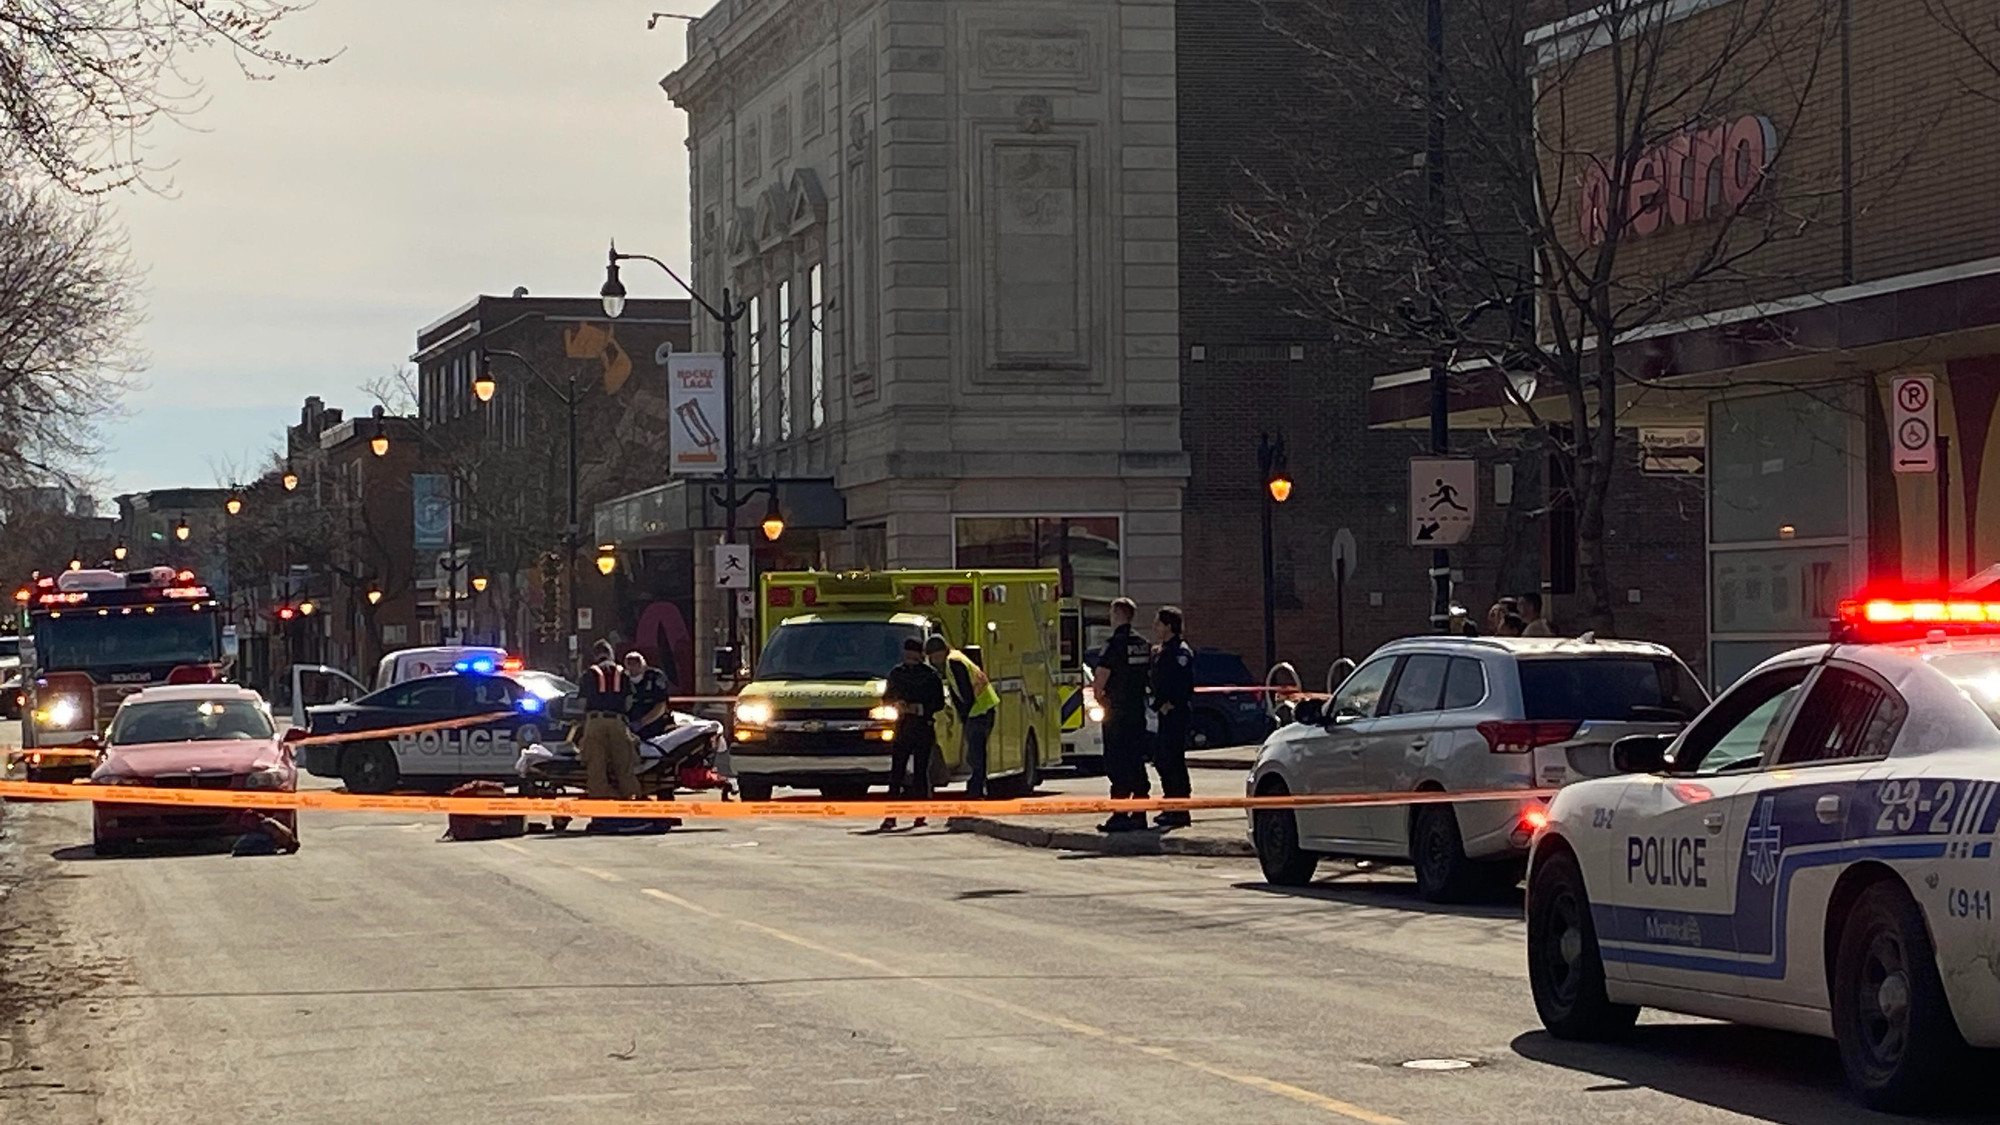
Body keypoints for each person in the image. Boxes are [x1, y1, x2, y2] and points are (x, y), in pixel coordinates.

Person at [1093, 596, 1153, 832]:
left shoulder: (1113, 645)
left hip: (1116, 712)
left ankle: (1119, 814)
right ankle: (1139, 813)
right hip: (1137, 712)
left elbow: (1100, 680)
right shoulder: (1142, 644)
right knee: (1136, 761)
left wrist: (1101, 700)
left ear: (1117, 615)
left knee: (1117, 763)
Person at [881, 638, 945, 830]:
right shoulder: (897, 674)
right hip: (903, 727)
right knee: (896, 774)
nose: (909, 657)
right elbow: (886, 698)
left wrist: (921, 708)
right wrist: (897, 703)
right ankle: (890, 816)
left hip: (923, 727)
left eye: (913, 653)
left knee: (921, 773)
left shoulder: (930, 675)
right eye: (907, 653)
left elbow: (939, 703)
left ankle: (921, 814)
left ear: (920, 655)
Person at [928, 635, 1000, 799]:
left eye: (934, 657)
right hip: (984, 707)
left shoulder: (953, 662)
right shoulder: (956, 658)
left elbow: (964, 690)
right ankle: (978, 787)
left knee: (975, 754)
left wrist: (965, 714)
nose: (933, 661)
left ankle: (976, 789)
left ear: (940, 652)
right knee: (977, 752)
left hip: (978, 710)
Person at [578, 641, 641, 815]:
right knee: (624, 767)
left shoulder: (589, 674)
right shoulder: (623, 673)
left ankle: (602, 811)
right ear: (611, 654)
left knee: (596, 768)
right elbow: (629, 703)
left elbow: (582, 703)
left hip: (595, 722)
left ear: (595, 655)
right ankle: (633, 807)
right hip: (617, 722)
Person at [1148, 606, 1195, 829]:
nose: (1155, 627)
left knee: (1172, 760)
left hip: (1174, 713)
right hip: (1163, 712)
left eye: (1158, 623)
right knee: (1161, 759)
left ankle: (1179, 809)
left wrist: (1169, 703)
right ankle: (1170, 804)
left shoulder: (1179, 653)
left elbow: (1181, 683)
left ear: (1169, 626)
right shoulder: (1162, 650)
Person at [624, 650, 674, 740]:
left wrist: (642, 722)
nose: (631, 669)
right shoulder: (624, 679)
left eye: (634, 664)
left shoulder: (655, 677)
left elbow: (661, 705)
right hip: (631, 729)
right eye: (629, 665)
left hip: (655, 727)